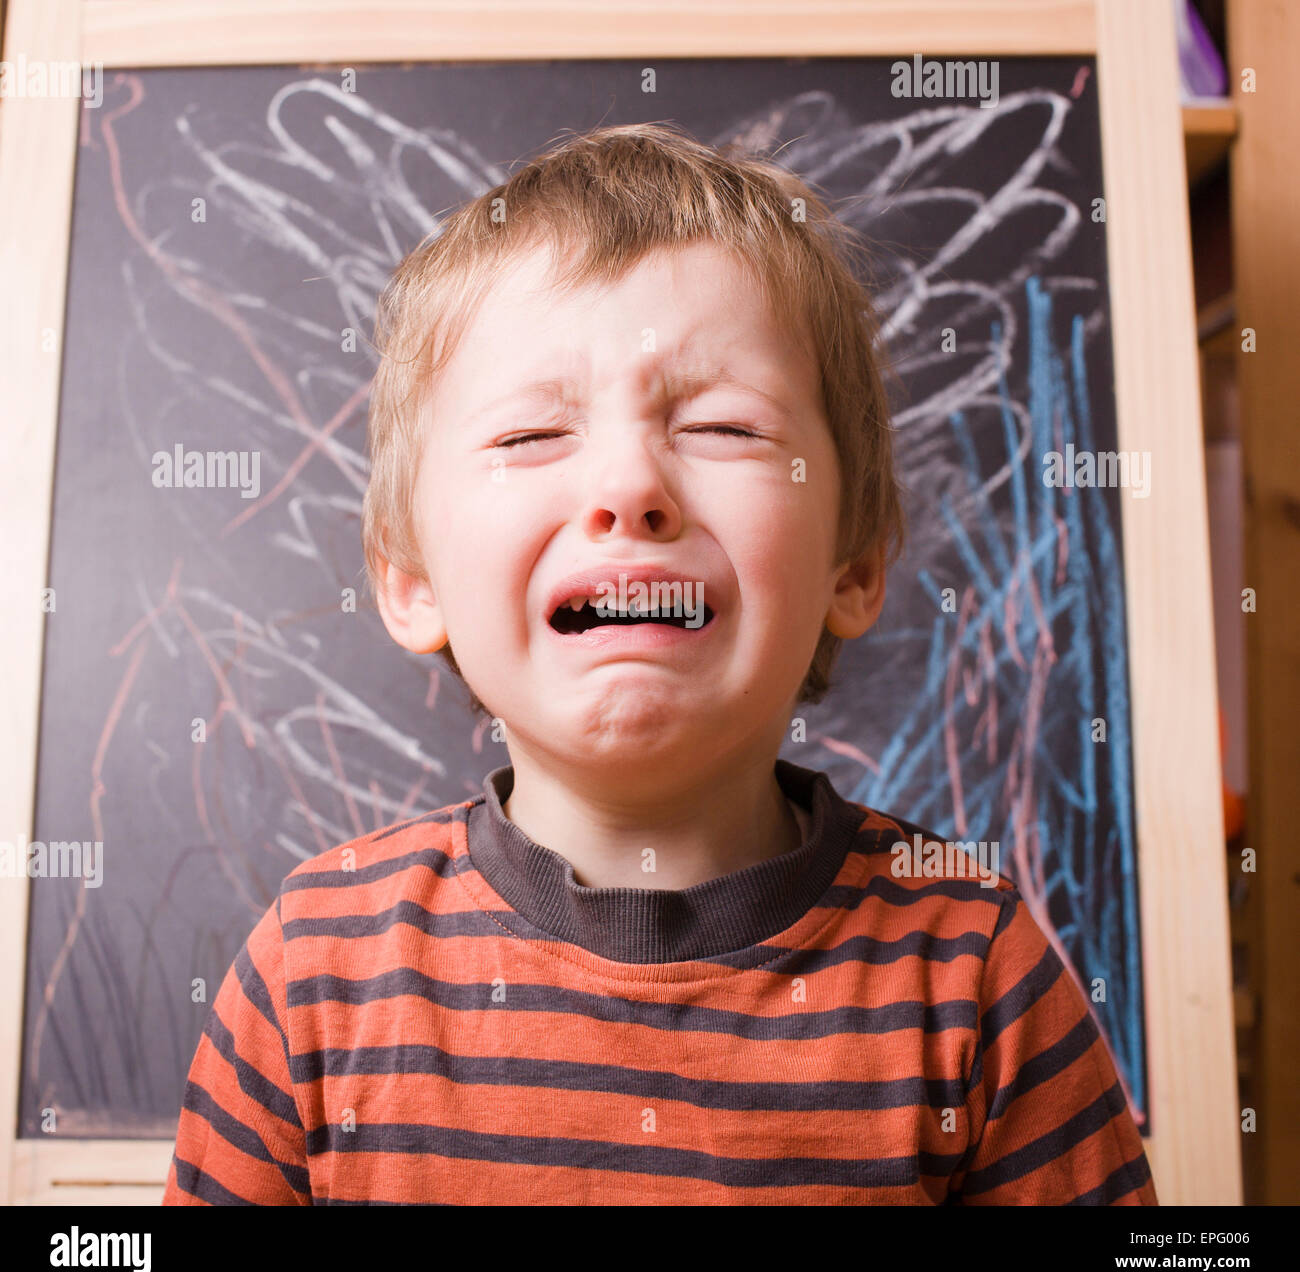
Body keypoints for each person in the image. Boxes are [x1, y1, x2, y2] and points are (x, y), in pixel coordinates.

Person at [163, 122, 1155, 1205]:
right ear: (411, 581)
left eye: (724, 427)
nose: (631, 485)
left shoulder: (974, 971)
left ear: (854, 563)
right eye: (531, 437)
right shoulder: (315, 968)